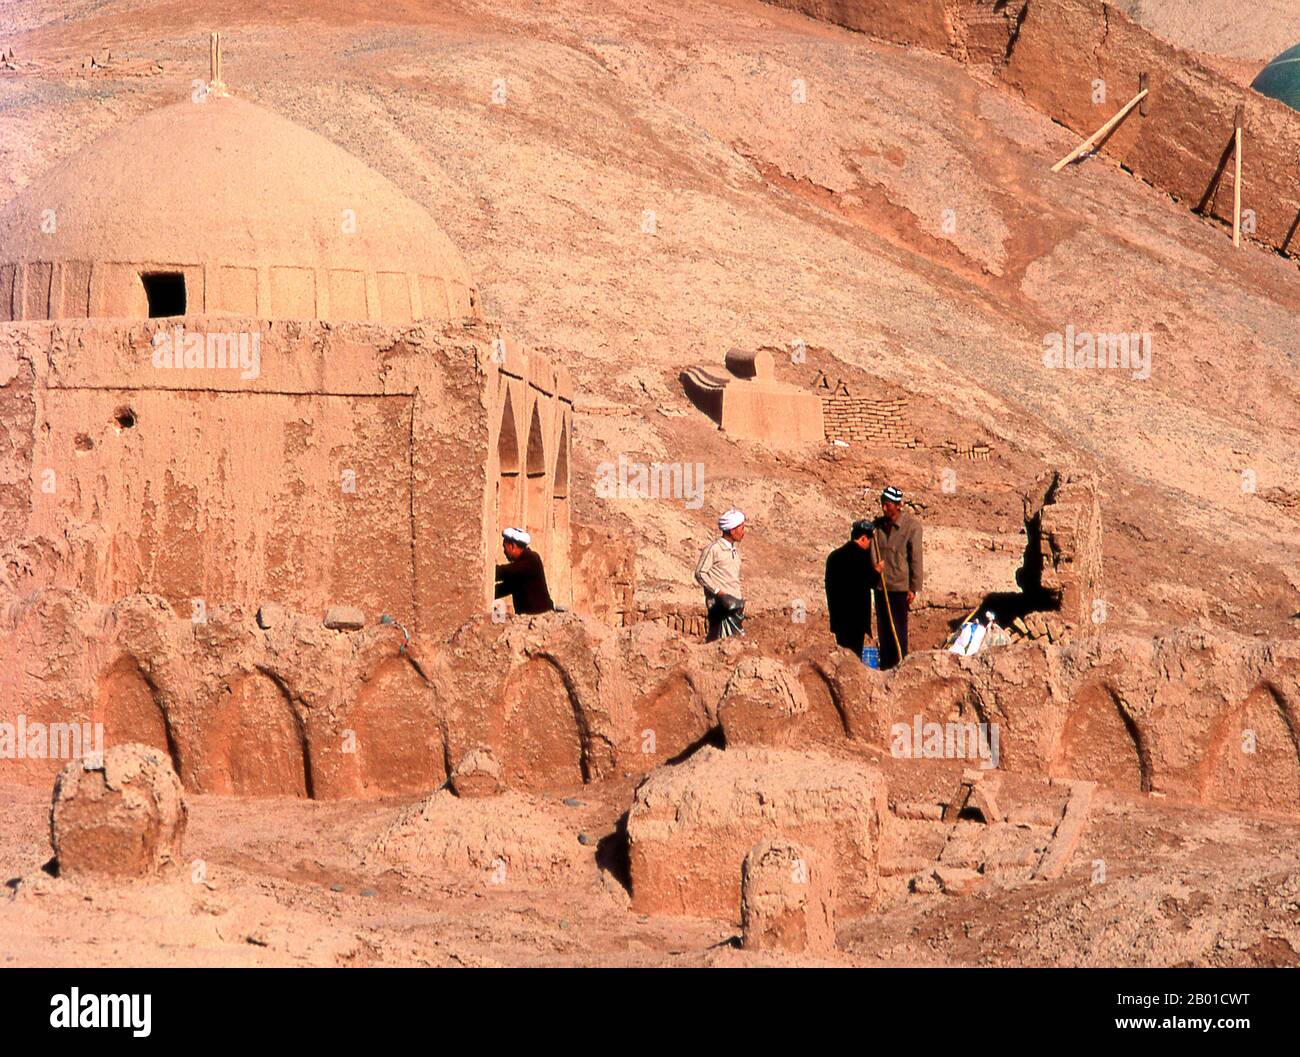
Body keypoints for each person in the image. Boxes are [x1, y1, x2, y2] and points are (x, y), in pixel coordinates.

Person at [871, 486, 922, 670]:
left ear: (898, 505)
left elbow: (915, 558)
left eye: (888, 505)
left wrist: (913, 588)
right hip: (881, 587)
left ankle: (900, 667)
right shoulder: (876, 527)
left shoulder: (912, 527)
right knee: (883, 631)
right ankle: (885, 667)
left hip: (900, 588)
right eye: (883, 504)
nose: (884, 509)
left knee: (898, 631)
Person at [825, 519, 880, 654]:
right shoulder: (861, 557)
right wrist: (877, 571)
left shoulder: (834, 556)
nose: (869, 546)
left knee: (843, 655)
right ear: (863, 538)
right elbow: (870, 581)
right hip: (856, 620)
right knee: (854, 657)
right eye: (869, 542)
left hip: (839, 619)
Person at [694, 509, 746, 642]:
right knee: (720, 643)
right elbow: (700, 573)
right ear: (732, 530)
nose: (743, 532)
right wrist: (719, 593)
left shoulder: (733, 551)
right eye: (741, 528)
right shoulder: (714, 549)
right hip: (721, 607)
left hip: (735, 606)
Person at [494, 527, 554, 616]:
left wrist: (488, 570)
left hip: (540, 619)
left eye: (505, 547)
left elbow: (503, 573)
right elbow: (504, 588)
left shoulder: (531, 559)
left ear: (512, 546)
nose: (504, 551)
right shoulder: (520, 569)